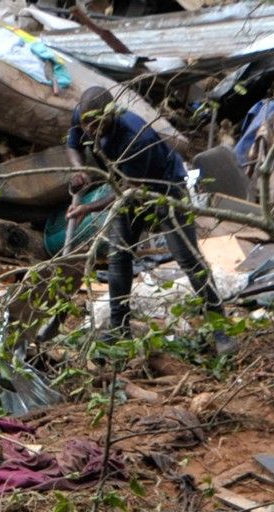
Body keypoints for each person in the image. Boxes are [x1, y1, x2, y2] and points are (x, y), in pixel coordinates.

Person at [66, 86, 228, 352]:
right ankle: (119, 329)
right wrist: (79, 170)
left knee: (187, 257)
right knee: (119, 257)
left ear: (111, 114)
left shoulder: (133, 136)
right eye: (87, 124)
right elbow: (72, 144)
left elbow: (130, 188)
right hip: (126, 187)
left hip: (164, 188)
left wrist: (89, 208)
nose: (92, 129)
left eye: (98, 123)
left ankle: (221, 329)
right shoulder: (82, 115)